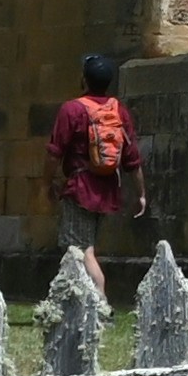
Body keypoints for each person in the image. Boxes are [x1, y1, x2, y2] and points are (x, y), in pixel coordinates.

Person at [49, 51, 145, 268]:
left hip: (81, 188)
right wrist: (141, 194)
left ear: (84, 79)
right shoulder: (118, 110)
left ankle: (99, 297)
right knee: (85, 247)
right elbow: (132, 159)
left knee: (82, 250)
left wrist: (47, 183)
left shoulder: (72, 109)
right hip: (107, 189)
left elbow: (54, 152)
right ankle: (87, 298)